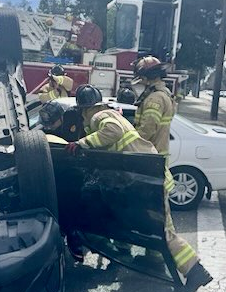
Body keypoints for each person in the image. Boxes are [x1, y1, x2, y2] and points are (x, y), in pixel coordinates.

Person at [66, 85, 213, 290]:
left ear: (86, 108)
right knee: (151, 224)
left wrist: (83, 143)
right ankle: (154, 260)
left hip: (148, 178)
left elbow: (113, 132)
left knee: (163, 231)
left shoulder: (99, 116)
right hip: (148, 177)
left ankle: (196, 271)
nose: (82, 116)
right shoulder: (109, 113)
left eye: (82, 111)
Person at [131, 56, 174, 157]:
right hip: (157, 154)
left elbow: (147, 129)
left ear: (146, 77)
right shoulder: (164, 93)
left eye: (141, 78)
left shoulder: (154, 99)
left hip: (149, 155)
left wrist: (130, 144)